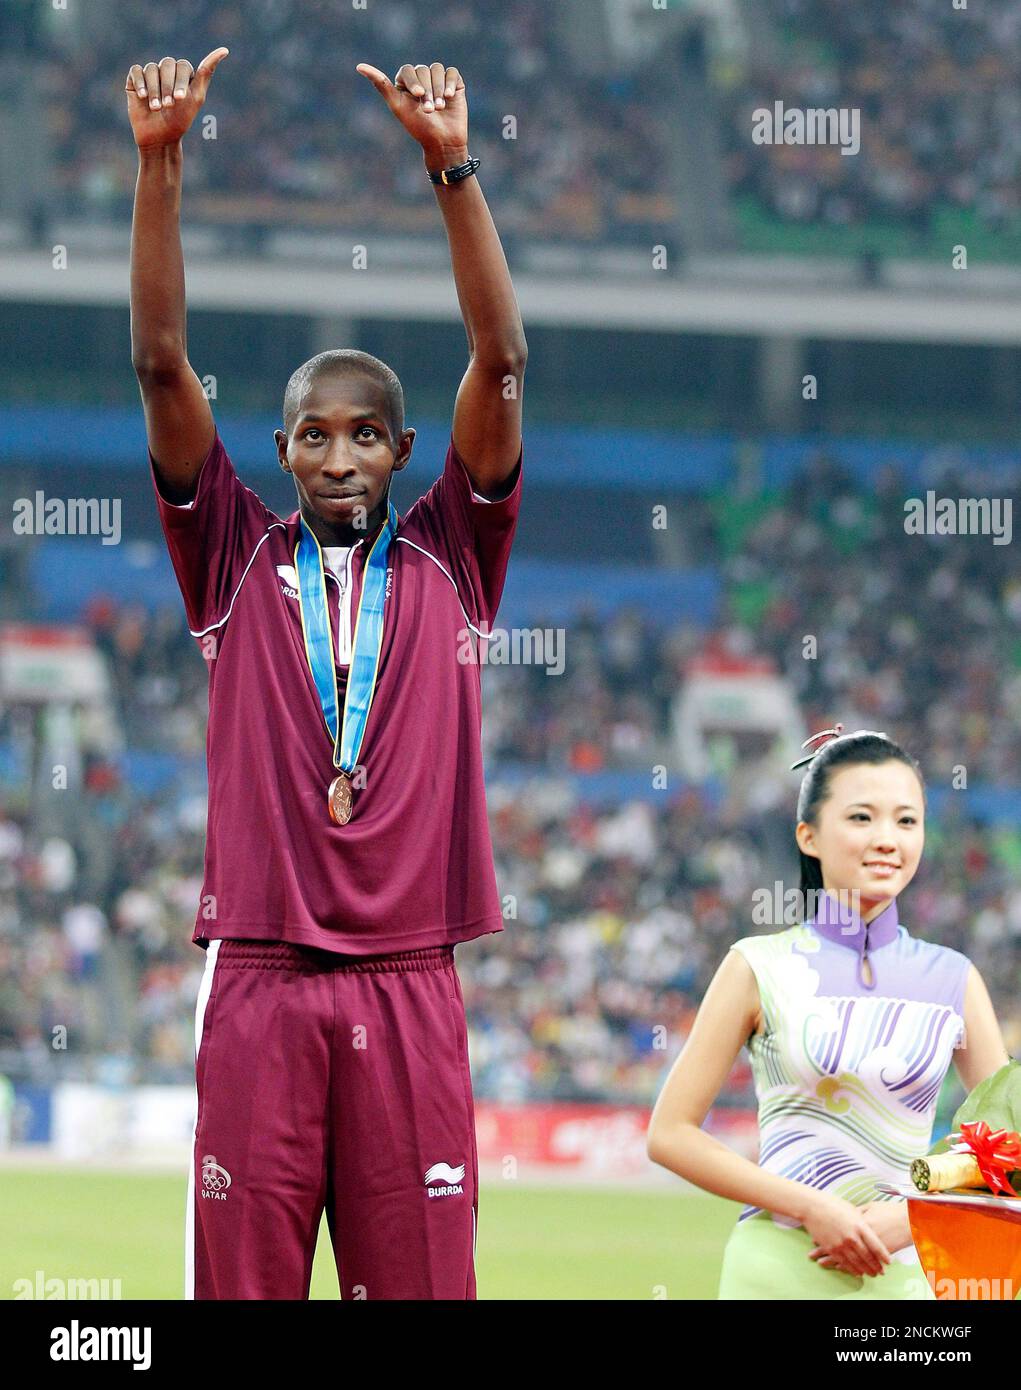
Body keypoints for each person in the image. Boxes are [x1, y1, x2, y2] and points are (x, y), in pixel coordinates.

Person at [125, 47, 527, 1300]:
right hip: (258, 975)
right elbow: (156, 363)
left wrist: (449, 167)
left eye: (365, 435)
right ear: (280, 448)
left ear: (406, 449)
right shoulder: (231, 559)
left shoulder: (456, 554)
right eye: (313, 434)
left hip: (411, 981)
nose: (339, 456)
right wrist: (159, 166)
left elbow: (501, 360)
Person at [647, 726, 1011, 1299]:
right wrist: (811, 1205)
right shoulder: (756, 966)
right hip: (774, 1270)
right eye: (862, 818)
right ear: (809, 836)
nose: (887, 839)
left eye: (906, 820)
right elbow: (669, 1134)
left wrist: (920, 1214)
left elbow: (1010, 1149)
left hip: (909, 1276)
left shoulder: (955, 979)